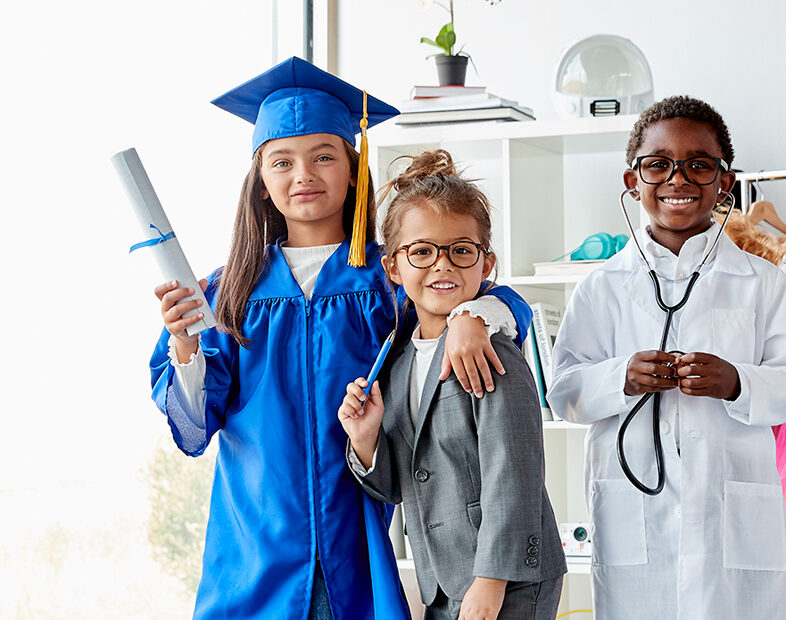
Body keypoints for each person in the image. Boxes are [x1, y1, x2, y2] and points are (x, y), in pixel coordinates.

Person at [149, 58, 531, 620]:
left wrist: (475, 314)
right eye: (282, 161)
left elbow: (498, 300)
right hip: (254, 542)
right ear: (261, 184)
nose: (304, 174)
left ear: (354, 170)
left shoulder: (390, 276)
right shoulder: (227, 292)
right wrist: (184, 348)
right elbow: (194, 428)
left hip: (356, 530)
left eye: (324, 156)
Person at [546, 96, 786, 619]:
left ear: (725, 182)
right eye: (658, 165)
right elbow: (564, 392)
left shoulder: (760, 282)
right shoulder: (602, 286)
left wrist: (737, 382)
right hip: (634, 515)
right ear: (633, 182)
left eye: (699, 165)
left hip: (732, 518)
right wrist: (621, 377)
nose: (678, 179)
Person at [337, 150, 567, 620]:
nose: (442, 266)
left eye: (461, 250)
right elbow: (400, 486)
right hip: (444, 578)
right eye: (422, 252)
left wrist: (491, 581)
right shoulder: (398, 362)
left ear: (486, 263)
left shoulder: (489, 350)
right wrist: (365, 440)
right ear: (393, 268)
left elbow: (515, 471)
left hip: (504, 579)